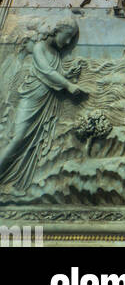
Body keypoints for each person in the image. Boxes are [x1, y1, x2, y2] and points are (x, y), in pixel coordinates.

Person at [0, 20, 87, 190]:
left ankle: (12, 177)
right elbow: (47, 72)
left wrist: (68, 75)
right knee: (17, 138)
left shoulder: (54, 53)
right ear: (57, 30)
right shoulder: (39, 47)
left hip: (45, 101)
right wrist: (68, 85)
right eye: (67, 37)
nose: (68, 42)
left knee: (29, 143)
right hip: (32, 98)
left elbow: (55, 73)